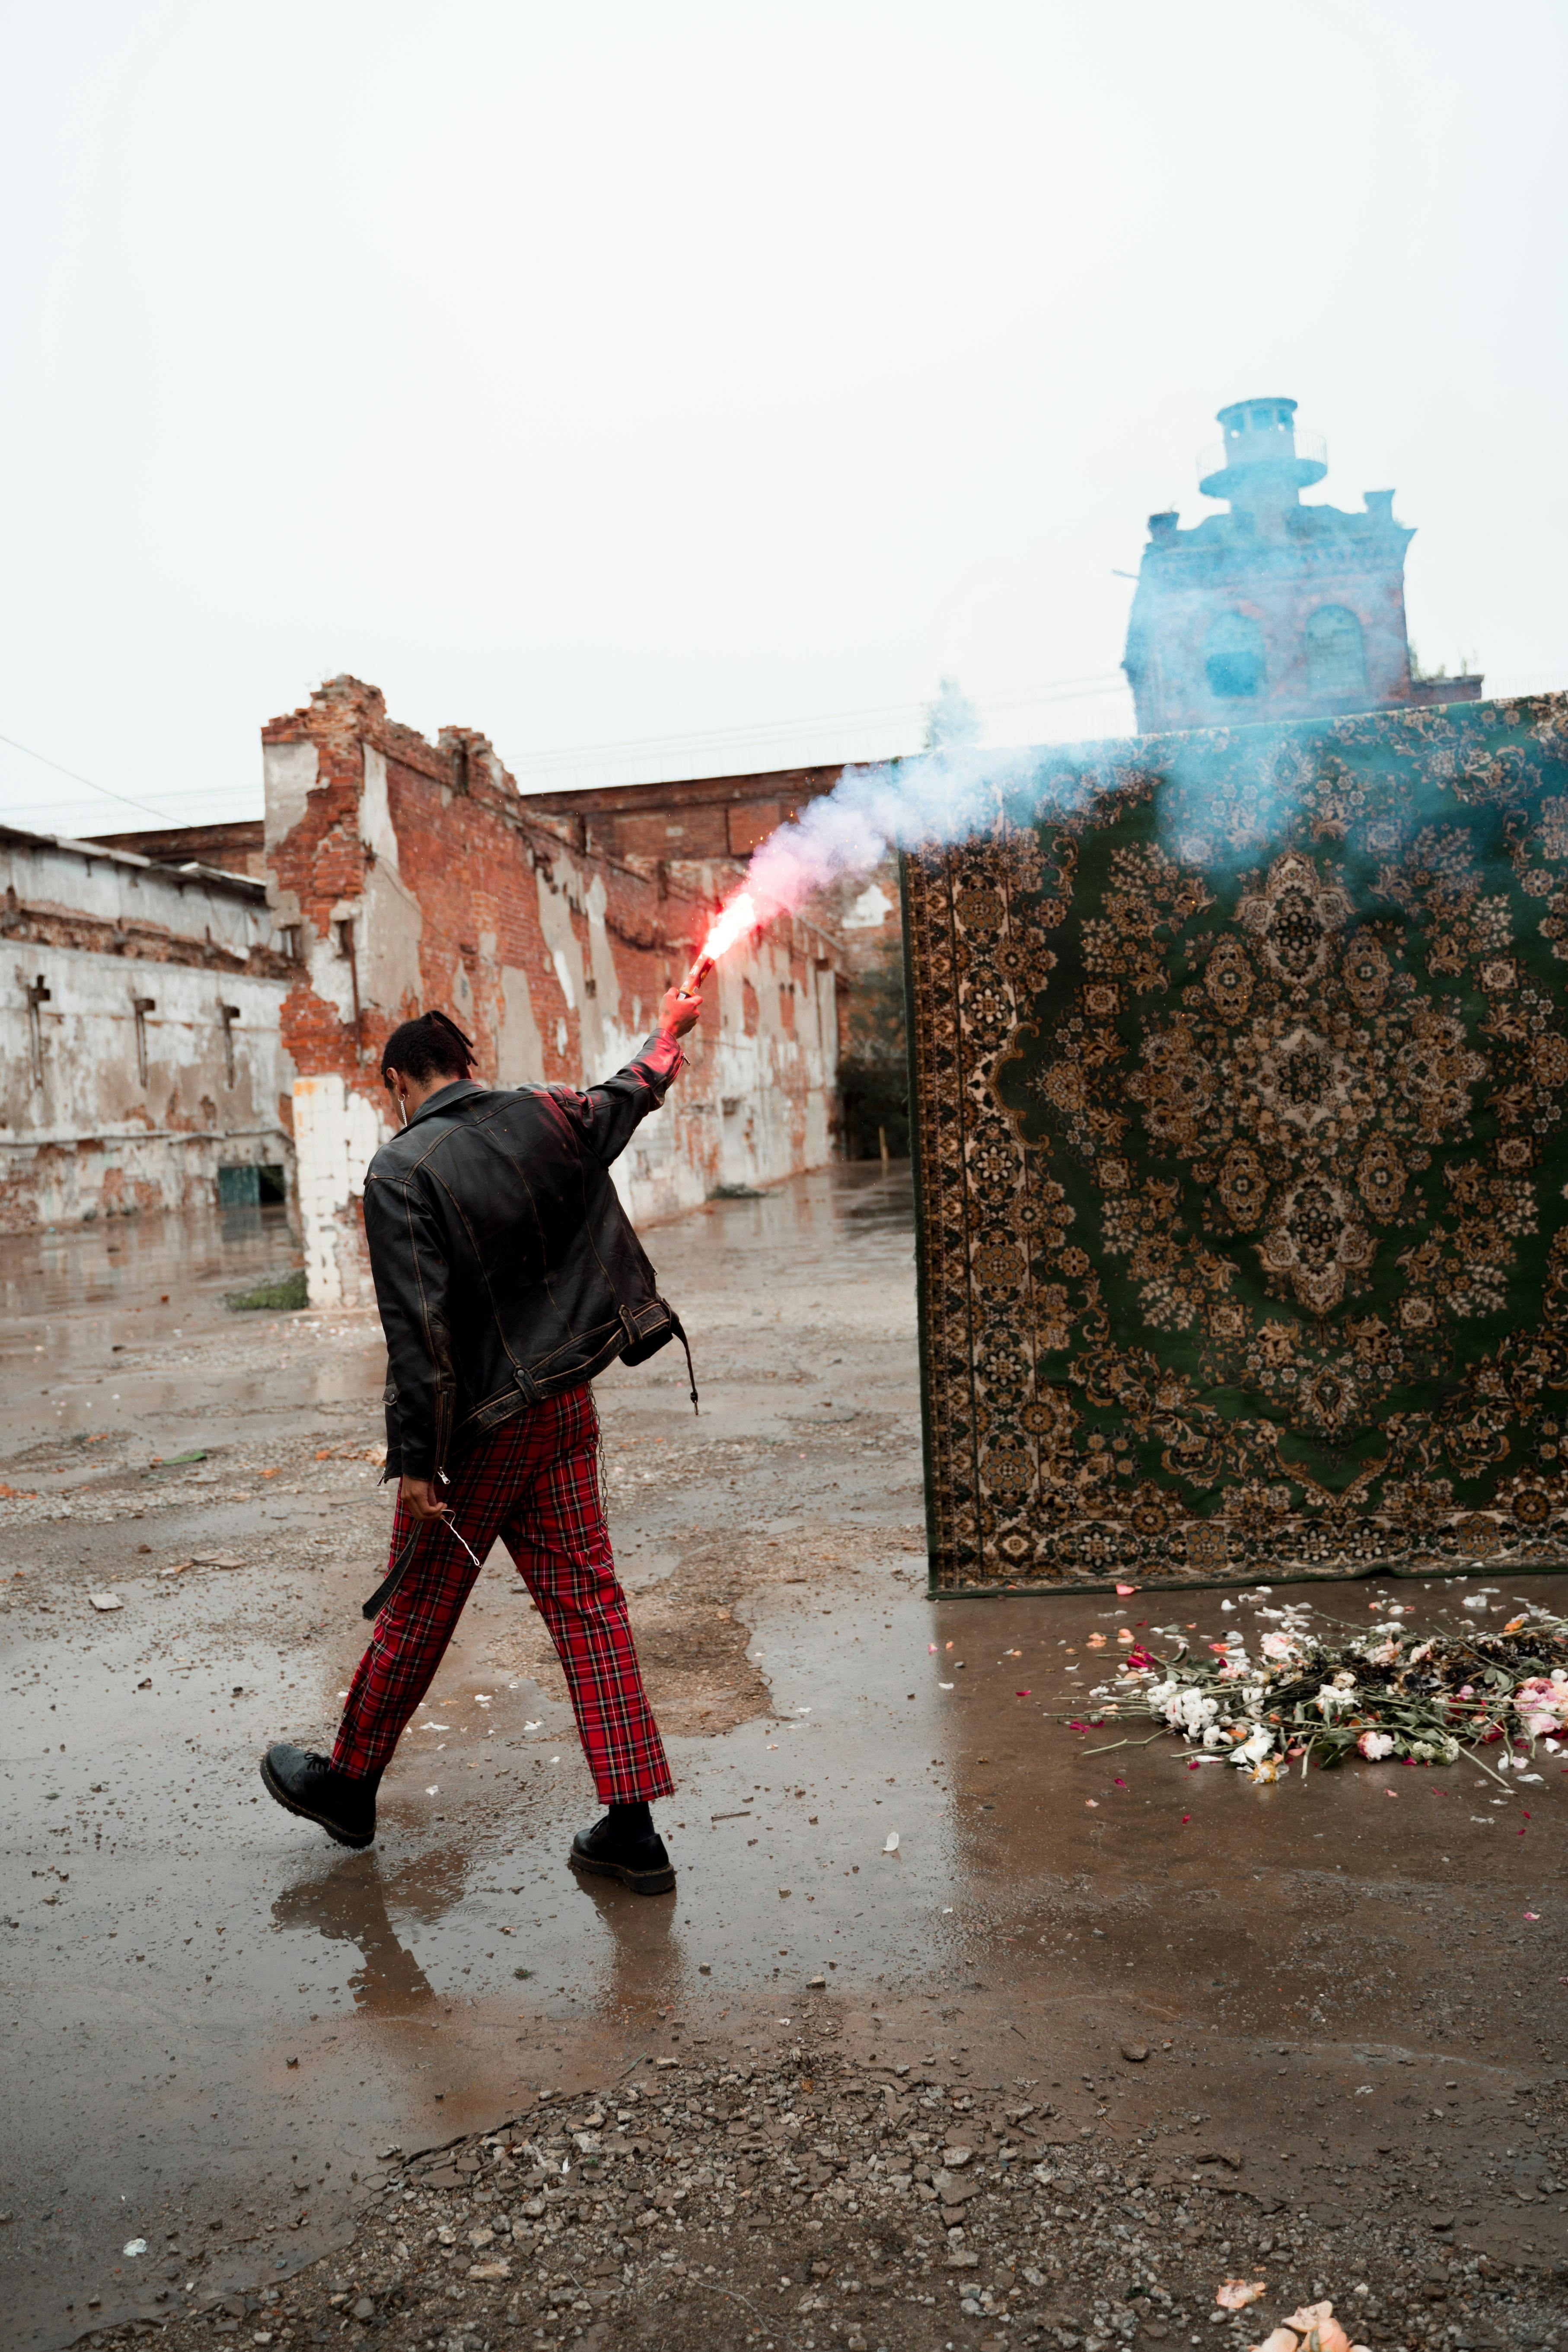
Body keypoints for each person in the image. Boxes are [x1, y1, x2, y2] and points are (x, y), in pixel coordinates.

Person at [260, 986, 703, 1895]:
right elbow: (625, 1094)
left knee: (420, 1605)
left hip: (480, 1430)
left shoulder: (401, 1170)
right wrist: (665, 1036)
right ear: (466, 1064)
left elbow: (418, 1331)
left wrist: (418, 1461)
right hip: (566, 1408)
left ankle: (347, 1786)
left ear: (397, 1082)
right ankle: (631, 1827)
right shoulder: (548, 1113)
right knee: (589, 1608)